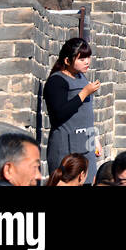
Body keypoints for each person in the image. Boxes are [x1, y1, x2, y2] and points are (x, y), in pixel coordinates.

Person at [43, 37, 100, 184]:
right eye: (82, 58)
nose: (87, 61)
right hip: (66, 148)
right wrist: (83, 94)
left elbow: (86, 116)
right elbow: (58, 115)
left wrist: (95, 139)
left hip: (87, 145)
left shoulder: (82, 77)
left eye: (88, 57)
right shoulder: (57, 81)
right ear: (67, 61)